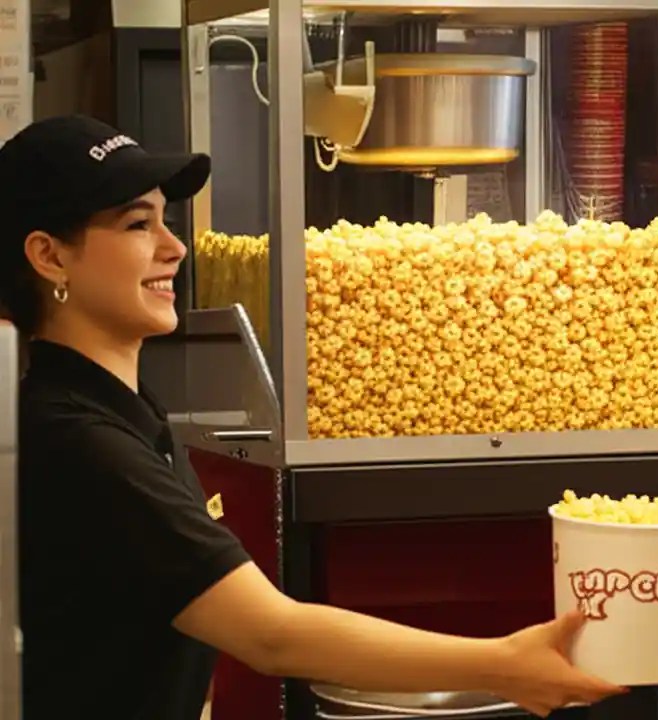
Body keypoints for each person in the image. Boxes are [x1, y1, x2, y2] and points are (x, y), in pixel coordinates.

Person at [0, 115, 623, 720]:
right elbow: (273, 635)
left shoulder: (126, 412)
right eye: (139, 224)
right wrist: (503, 664)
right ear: (50, 257)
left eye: (168, 220)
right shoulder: (78, 442)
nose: (176, 247)